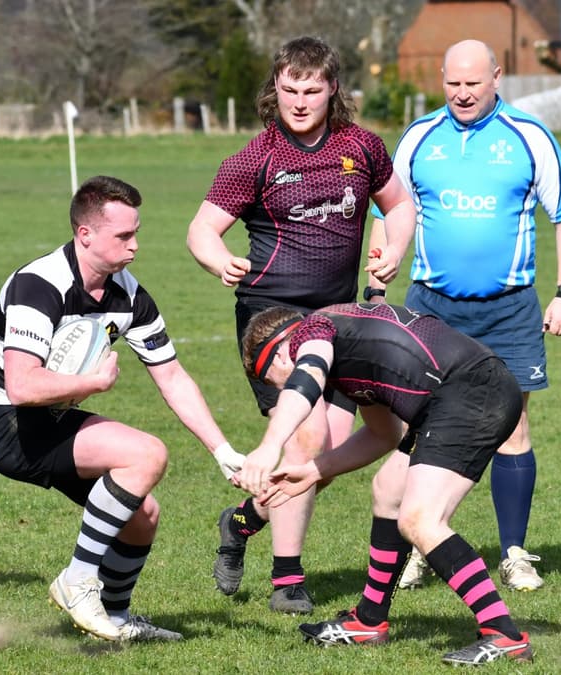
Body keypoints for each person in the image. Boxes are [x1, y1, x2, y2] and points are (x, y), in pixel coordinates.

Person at [185, 35, 415, 613]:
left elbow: (400, 206)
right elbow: (200, 231)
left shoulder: (362, 148)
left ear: (332, 88)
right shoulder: (254, 157)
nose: (300, 100)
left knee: (384, 434)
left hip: (340, 317)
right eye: (289, 89)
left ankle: (242, 520)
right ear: (275, 89)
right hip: (270, 315)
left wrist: (395, 250)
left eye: (312, 90)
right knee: (307, 432)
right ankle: (288, 578)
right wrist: (219, 260)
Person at [0, 175, 244, 642]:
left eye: (135, 232)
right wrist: (92, 383)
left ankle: (116, 621)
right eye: (123, 235)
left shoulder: (128, 294)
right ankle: (78, 580)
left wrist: (223, 451)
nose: (135, 245)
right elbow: (20, 386)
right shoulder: (39, 284)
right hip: (10, 423)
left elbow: (173, 376)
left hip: (54, 418)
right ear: (86, 235)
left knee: (142, 515)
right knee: (146, 454)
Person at [372, 39, 561, 592]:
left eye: (474, 82)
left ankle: (514, 552)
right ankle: (419, 542)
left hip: (509, 310)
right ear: (440, 79)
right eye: (453, 83)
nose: (462, 93)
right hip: (430, 307)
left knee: (511, 426)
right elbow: (392, 212)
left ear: (496, 77)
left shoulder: (528, 136)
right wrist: (377, 284)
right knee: (418, 430)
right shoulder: (420, 137)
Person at [237, 302, 533, 666]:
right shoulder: (345, 357)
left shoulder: (311, 332)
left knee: (421, 521)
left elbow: (307, 375)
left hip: (470, 393)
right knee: (388, 491)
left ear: (281, 353)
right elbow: (382, 435)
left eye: (272, 381)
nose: (278, 391)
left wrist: (269, 447)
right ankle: (369, 621)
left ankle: (503, 634)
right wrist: (314, 471)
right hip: (455, 397)